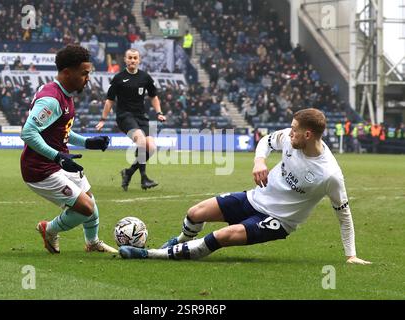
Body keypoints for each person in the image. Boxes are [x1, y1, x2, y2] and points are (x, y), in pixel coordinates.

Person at [119, 108, 371, 265]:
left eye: (294, 130)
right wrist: (259, 160)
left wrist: (351, 255)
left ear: (308, 135)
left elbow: (344, 215)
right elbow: (265, 141)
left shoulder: (330, 175)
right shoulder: (289, 138)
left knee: (220, 237)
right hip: (254, 198)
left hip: (277, 220)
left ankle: (150, 255)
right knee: (195, 213)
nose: (289, 132)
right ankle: (178, 241)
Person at [20, 45, 117, 254]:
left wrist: (88, 142)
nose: (88, 78)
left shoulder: (63, 94)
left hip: (57, 161)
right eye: (84, 73)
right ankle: (49, 229)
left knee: (90, 201)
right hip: (40, 169)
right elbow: (28, 132)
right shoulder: (52, 99)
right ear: (67, 73)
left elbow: (61, 131)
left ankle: (92, 243)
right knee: (85, 208)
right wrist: (58, 157)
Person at [95, 48, 166, 191]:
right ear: (125, 60)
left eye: (135, 58)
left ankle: (128, 172)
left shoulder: (145, 77)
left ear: (139, 60)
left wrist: (159, 112)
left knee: (151, 147)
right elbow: (109, 101)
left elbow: (153, 96)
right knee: (140, 140)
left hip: (141, 117)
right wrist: (103, 119)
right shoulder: (119, 78)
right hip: (124, 116)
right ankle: (144, 178)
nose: (132, 60)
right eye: (130, 58)